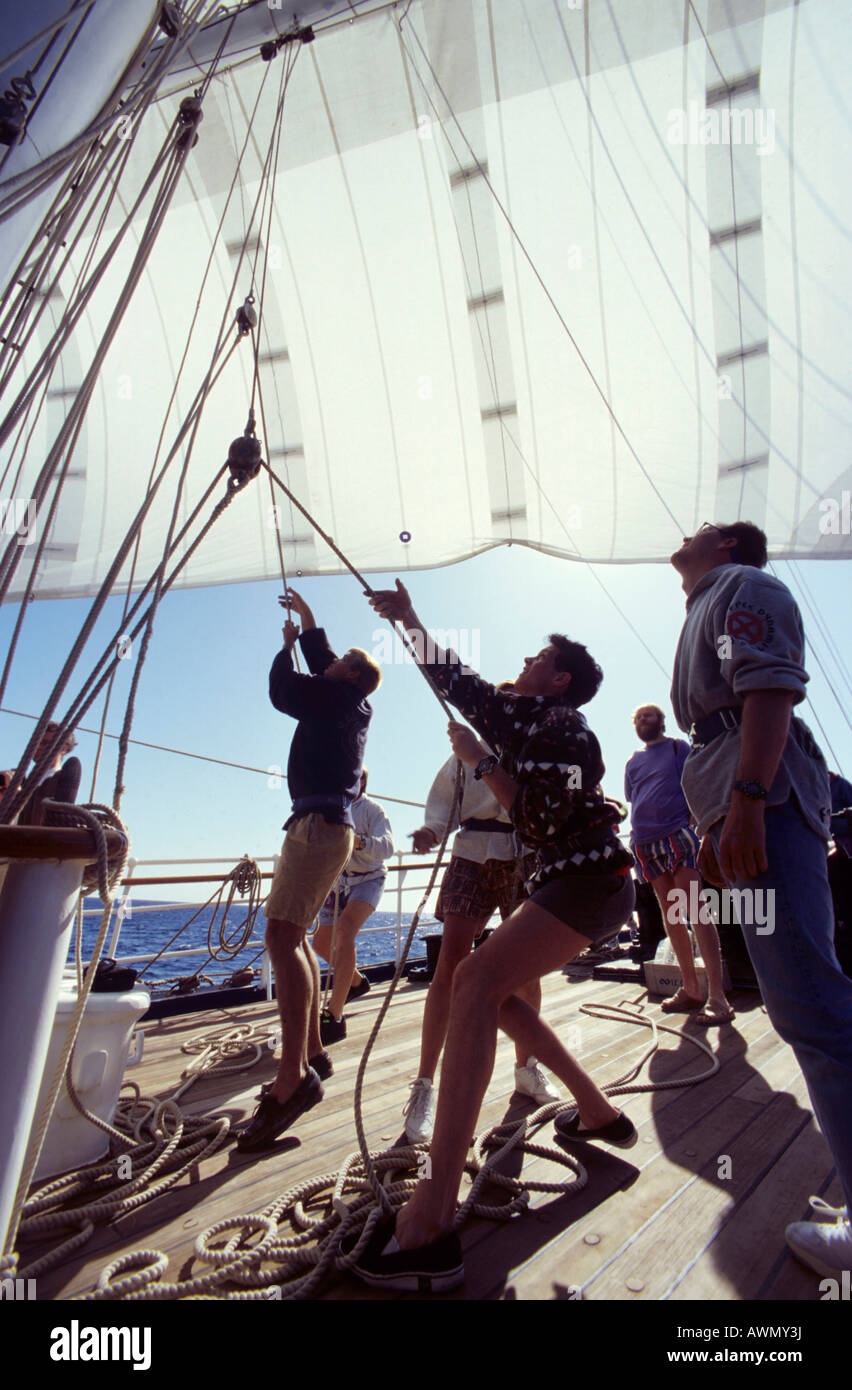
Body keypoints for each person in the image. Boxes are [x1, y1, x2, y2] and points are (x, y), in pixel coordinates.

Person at [351, 580, 635, 1290]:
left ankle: (434, 1221)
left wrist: (480, 761)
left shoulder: (563, 726)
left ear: (559, 679)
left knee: (471, 980)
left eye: (539, 656)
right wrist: (409, 618)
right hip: (571, 883)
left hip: (590, 879)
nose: (526, 661)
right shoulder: (524, 720)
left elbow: (537, 818)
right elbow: (457, 679)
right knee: (497, 996)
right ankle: (594, 1113)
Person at [668, 520, 852, 1278]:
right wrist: (723, 816)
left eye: (703, 528)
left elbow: (770, 685)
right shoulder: (710, 601)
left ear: (729, 547)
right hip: (739, 800)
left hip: (760, 799)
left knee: (812, 1010)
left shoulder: (745, 587)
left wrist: (747, 798)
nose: (689, 531)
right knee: (803, 1005)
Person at [236, 589, 381, 1152]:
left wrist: (287, 646)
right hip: (320, 825)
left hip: (318, 826)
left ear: (347, 676)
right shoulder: (349, 699)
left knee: (282, 935)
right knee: (291, 937)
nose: (334, 660)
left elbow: (285, 692)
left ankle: (293, 1080)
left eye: (341, 660)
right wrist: (311, 616)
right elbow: (324, 670)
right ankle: (314, 1052)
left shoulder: (336, 699)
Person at [404, 746, 559, 1144]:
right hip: (469, 852)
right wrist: (432, 829)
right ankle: (424, 1086)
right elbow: (444, 798)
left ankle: (526, 1069)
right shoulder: (465, 754)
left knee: (527, 966)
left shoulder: (529, 747)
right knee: (450, 964)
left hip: (521, 855)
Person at [625, 704, 733, 1024]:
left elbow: (697, 783)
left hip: (678, 834)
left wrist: (694, 822)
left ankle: (717, 996)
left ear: (661, 721)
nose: (645, 719)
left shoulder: (677, 747)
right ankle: (690, 988)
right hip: (645, 842)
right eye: (639, 716)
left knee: (696, 910)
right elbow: (635, 797)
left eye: (650, 715)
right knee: (671, 915)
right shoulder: (633, 760)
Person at [312, 769, 394, 1040]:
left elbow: (388, 847)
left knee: (346, 930)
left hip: (369, 880)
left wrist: (360, 843)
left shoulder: (373, 810)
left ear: (361, 782)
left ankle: (334, 1014)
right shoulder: (334, 809)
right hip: (339, 880)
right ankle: (356, 982)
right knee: (321, 944)